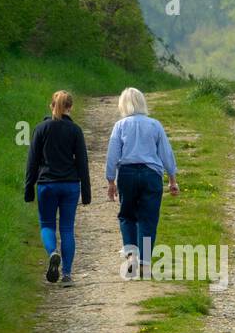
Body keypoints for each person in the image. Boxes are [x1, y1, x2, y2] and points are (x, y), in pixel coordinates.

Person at [105, 87, 179, 279]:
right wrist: (172, 178)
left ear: (123, 104)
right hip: (151, 174)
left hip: (127, 174)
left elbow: (113, 155)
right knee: (148, 219)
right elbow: (165, 152)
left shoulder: (120, 126)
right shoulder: (155, 125)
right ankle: (145, 264)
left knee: (127, 215)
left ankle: (131, 256)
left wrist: (111, 180)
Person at [24, 90, 90, 286]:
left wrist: (29, 188)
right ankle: (67, 274)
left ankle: (53, 252)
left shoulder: (40, 129)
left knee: (47, 225)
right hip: (70, 185)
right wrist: (86, 192)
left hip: (47, 185)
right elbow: (82, 163)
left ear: (51, 105)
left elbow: (32, 162)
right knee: (67, 228)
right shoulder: (75, 131)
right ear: (70, 107)